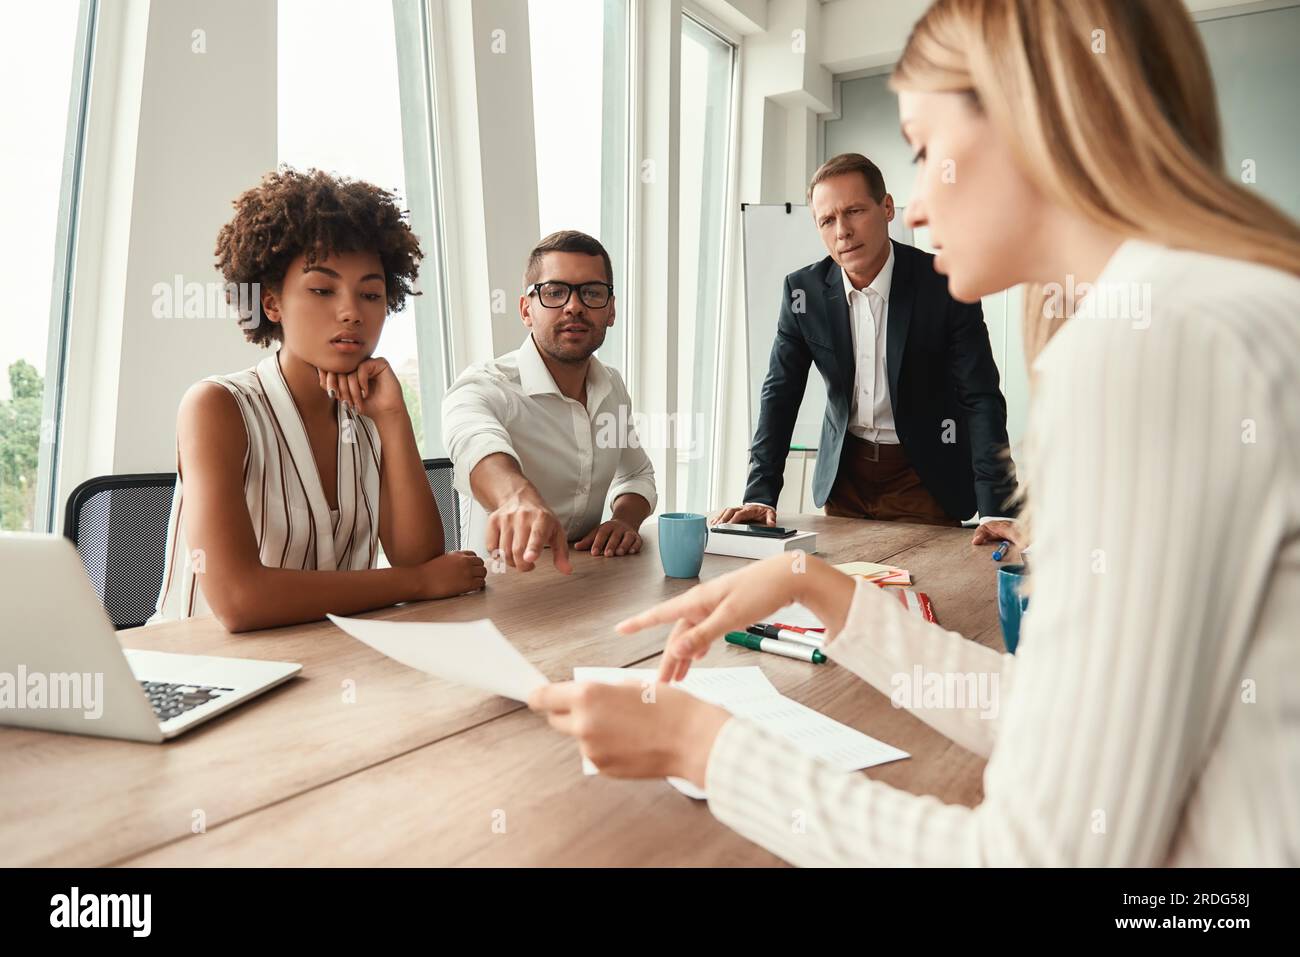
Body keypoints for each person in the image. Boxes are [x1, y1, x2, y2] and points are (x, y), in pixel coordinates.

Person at [528, 0, 1300, 865]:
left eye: (929, 151)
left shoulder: (1149, 346)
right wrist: (820, 589)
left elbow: (1040, 856)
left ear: (1034, 116)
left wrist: (704, 750)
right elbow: (1064, 720)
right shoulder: (1205, 306)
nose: (920, 206)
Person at [153, 168, 485, 630]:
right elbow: (238, 600)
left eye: (370, 293)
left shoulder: (370, 409)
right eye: (322, 290)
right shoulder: (217, 406)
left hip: (329, 665)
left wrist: (393, 418)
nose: (351, 311)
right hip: (211, 674)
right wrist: (414, 584)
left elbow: (419, 555)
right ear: (272, 304)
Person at [715, 152, 1019, 547]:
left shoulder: (944, 285)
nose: (842, 231)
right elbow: (780, 394)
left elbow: (980, 398)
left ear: (887, 207)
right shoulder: (802, 292)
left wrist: (996, 505)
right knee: (845, 592)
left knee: (925, 597)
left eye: (854, 211)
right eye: (827, 220)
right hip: (846, 478)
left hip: (924, 476)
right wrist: (759, 492)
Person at [442, 230, 656, 573]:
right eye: (555, 292)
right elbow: (474, 444)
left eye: (591, 293)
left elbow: (636, 472)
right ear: (527, 309)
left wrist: (624, 521)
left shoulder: (611, 385)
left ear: (611, 311)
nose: (574, 306)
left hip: (590, 581)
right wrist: (515, 497)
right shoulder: (484, 385)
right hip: (500, 588)